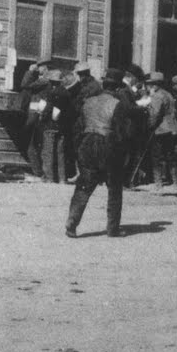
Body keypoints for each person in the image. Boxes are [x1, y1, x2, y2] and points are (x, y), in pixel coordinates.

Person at [65, 75, 133, 239]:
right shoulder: (118, 104)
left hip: (87, 143)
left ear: (103, 86)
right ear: (117, 88)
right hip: (108, 145)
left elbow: (78, 127)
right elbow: (122, 132)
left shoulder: (88, 102)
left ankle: (71, 223)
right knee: (114, 188)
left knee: (83, 186)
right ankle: (112, 229)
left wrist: (79, 148)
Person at [144, 72, 177, 191]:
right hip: (173, 128)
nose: (148, 87)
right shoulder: (168, 94)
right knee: (171, 158)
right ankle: (176, 185)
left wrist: (149, 126)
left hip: (161, 129)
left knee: (157, 158)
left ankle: (158, 186)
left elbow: (155, 114)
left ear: (155, 85)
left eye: (149, 84)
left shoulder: (156, 96)